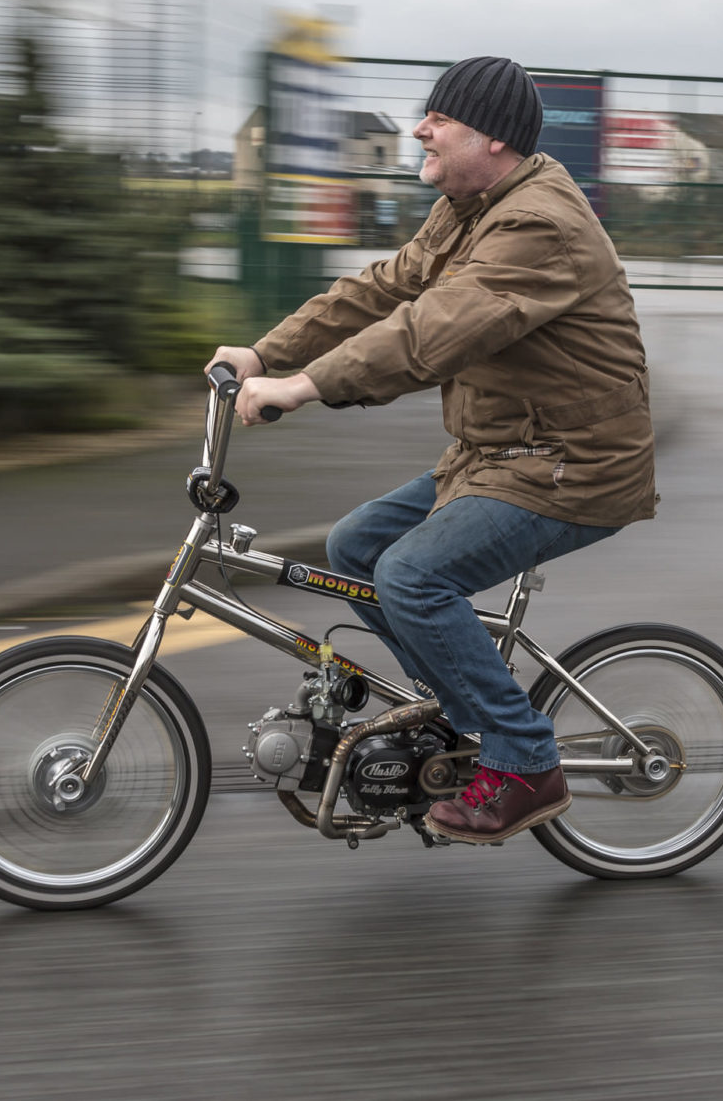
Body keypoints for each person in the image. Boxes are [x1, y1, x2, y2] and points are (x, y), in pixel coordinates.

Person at [205, 56, 656, 845]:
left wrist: (305, 385)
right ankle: (455, 708)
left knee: (412, 576)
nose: (420, 129)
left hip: (572, 464)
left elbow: (429, 332)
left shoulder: (538, 226)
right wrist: (265, 353)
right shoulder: (468, 208)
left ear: (493, 139)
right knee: (356, 547)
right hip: (499, 453)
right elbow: (382, 290)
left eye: (441, 119)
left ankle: (525, 759)